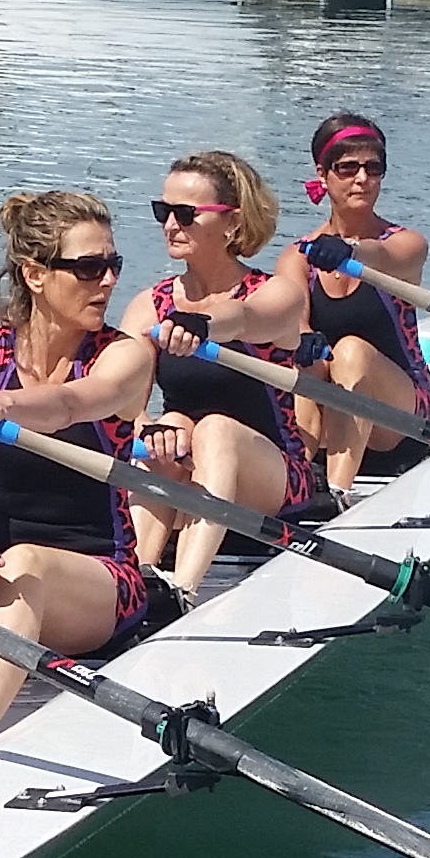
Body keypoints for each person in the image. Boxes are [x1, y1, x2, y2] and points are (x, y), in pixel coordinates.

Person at [0, 190, 162, 740]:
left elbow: (72, 403)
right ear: (34, 275)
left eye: (114, 264)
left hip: (103, 582)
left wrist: (4, 404)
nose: (108, 281)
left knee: (24, 563)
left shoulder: (124, 356)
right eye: (89, 268)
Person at [126, 147, 321, 594]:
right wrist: (145, 427)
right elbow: (124, 401)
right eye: (162, 211)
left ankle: (183, 590)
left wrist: (204, 325)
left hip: (277, 479)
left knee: (214, 429)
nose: (170, 225)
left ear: (231, 222)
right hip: (188, 462)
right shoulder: (149, 305)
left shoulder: (278, 294)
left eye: (185, 214)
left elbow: (247, 318)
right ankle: (135, 579)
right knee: (168, 427)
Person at [286, 111, 430, 496]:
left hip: (402, 422)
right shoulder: (297, 257)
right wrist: (302, 339)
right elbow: (294, 320)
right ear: (323, 174)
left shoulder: (407, 244)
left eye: (373, 168)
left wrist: (350, 252)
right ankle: (296, 478)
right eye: (348, 167)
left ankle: (336, 493)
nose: (362, 178)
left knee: (351, 351)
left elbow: (382, 256)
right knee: (305, 357)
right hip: (329, 417)